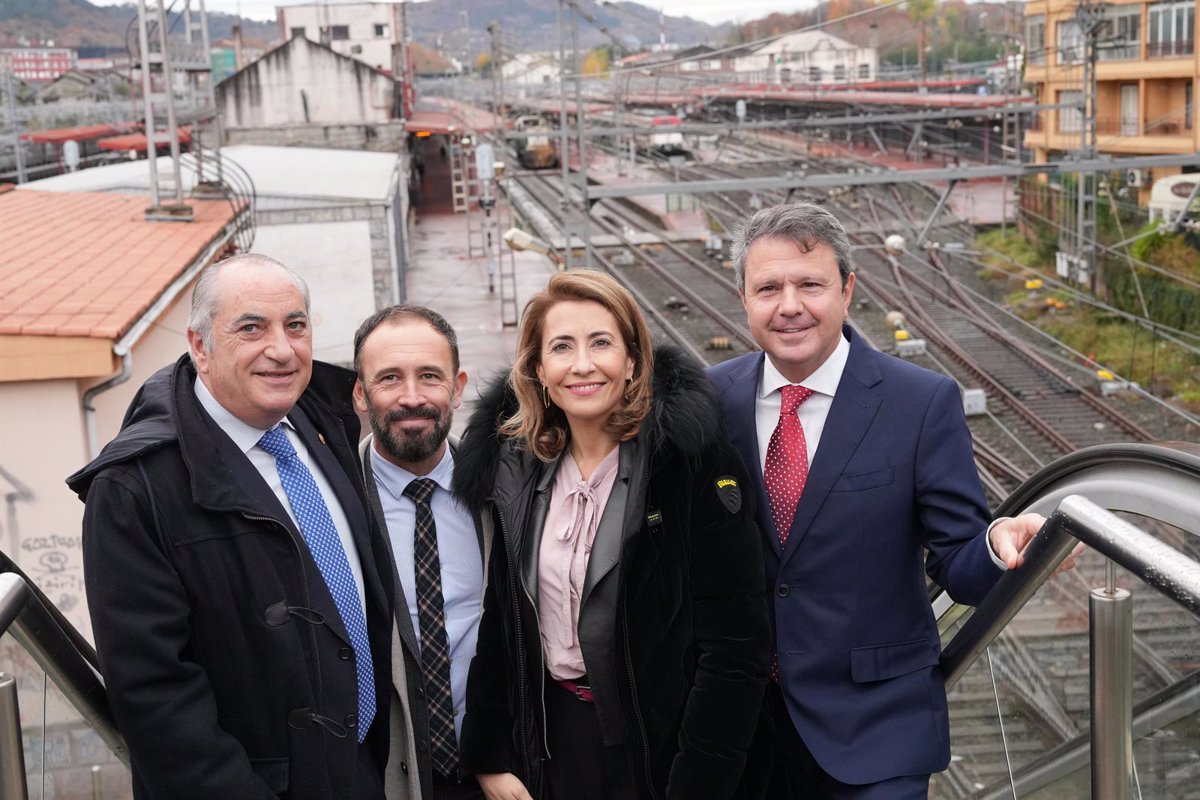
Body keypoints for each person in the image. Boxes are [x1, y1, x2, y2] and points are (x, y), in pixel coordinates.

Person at [708, 202, 1050, 799]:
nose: (789, 305)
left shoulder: (920, 403)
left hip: (876, 732)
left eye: (810, 284)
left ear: (848, 289)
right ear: (744, 298)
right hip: (744, 737)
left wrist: (996, 546)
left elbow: (961, 569)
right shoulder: (711, 401)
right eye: (768, 288)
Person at [67, 255, 393, 800]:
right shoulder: (133, 487)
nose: (282, 350)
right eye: (251, 328)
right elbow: (154, 695)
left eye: (296, 325)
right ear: (200, 346)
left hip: (359, 770)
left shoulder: (320, 419)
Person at [453, 270, 770, 800]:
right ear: (537, 369)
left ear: (632, 360)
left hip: (665, 749)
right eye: (561, 347)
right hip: (555, 746)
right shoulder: (518, 469)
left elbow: (737, 647)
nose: (582, 364)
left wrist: (697, 785)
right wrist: (490, 755)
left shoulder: (688, 462)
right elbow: (503, 620)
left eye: (601, 342)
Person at [352, 305, 488, 800]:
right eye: (389, 378)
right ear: (360, 395)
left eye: (429, 376)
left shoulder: (504, 493)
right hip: (387, 779)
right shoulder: (332, 503)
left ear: (457, 386)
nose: (412, 398)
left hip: (499, 774)